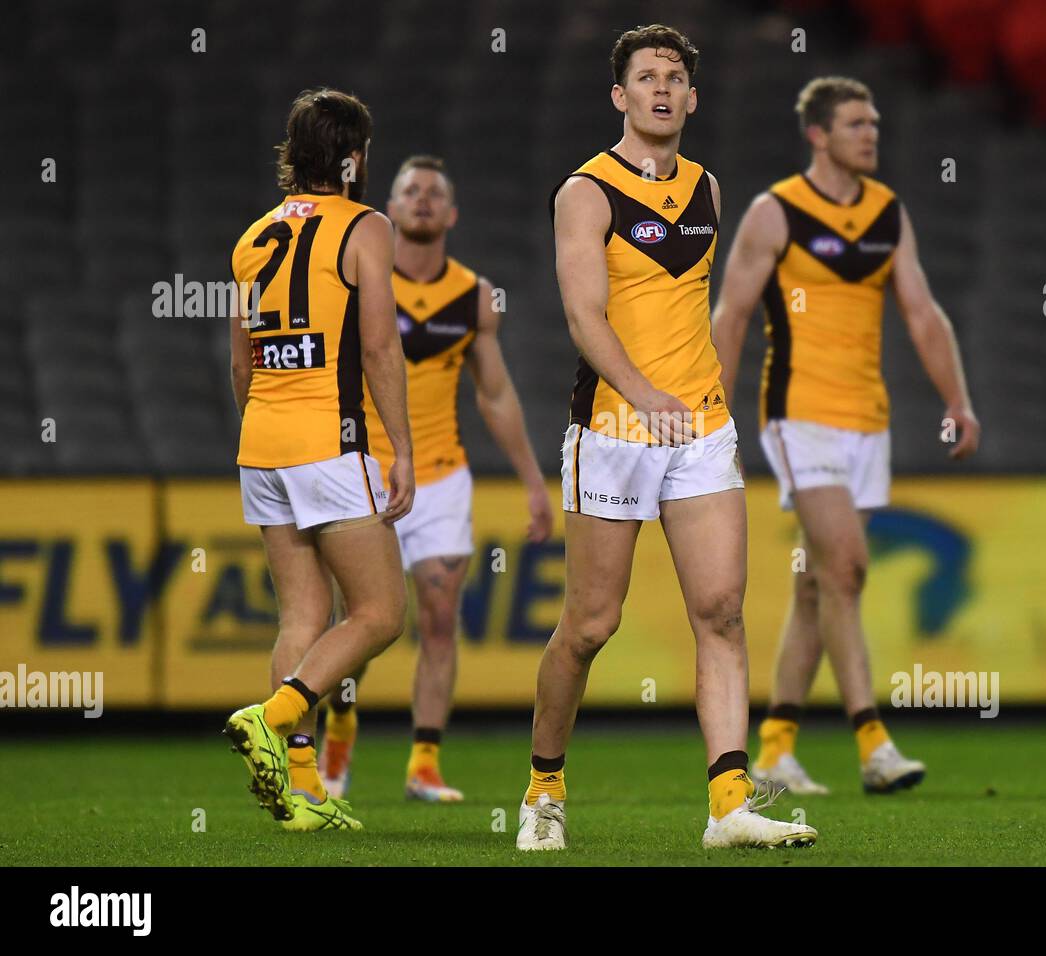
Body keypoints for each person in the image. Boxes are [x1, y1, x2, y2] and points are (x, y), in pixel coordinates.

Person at [516, 24, 818, 852]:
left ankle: (729, 804)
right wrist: (644, 393)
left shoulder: (710, 190)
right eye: (644, 76)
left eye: (673, 77)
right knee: (589, 625)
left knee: (721, 612)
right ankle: (544, 786)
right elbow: (584, 315)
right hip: (613, 427)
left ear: (691, 97)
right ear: (620, 97)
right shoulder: (586, 190)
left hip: (701, 430)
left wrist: (693, 398)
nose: (659, 88)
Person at [712, 76, 980, 796]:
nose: (872, 134)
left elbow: (923, 313)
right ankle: (873, 743)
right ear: (819, 135)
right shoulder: (776, 213)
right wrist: (714, 410)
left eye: (876, 122)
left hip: (868, 421)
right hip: (798, 415)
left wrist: (958, 399)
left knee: (817, 585)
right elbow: (731, 315)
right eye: (857, 124)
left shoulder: (888, 213)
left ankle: (773, 750)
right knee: (851, 567)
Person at [319, 155, 553, 803]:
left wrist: (534, 481)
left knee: (442, 617)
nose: (421, 200)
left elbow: (497, 395)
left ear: (451, 215)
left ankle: (423, 763)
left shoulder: (473, 295)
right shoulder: (361, 282)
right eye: (409, 190)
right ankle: (341, 721)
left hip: (442, 474)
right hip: (365, 470)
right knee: (361, 625)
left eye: (434, 193)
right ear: (389, 209)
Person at [224, 88, 414, 831]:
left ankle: (302, 790)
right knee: (379, 612)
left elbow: (240, 366)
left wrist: (266, 429)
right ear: (354, 157)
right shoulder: (366, 226)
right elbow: (377, 348)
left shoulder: (250, 238)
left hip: (262, 444)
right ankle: (272, 718)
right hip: (330, 445)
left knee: (303, 617)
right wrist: (399, 448)